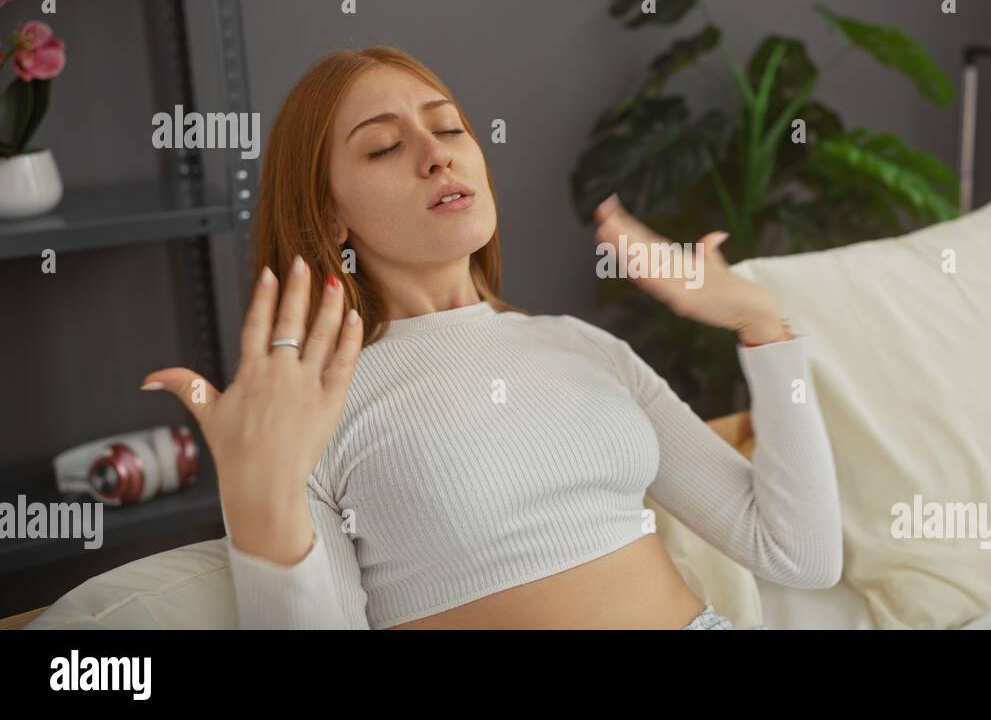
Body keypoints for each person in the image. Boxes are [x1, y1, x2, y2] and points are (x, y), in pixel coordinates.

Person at [139, 45, 842, 630]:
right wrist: (261, 502)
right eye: (384, 145)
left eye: (448, 130)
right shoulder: (306, 408)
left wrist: (762, 326)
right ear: (329, 217)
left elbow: (799, 554)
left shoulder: (582, 346)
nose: (435, 155)